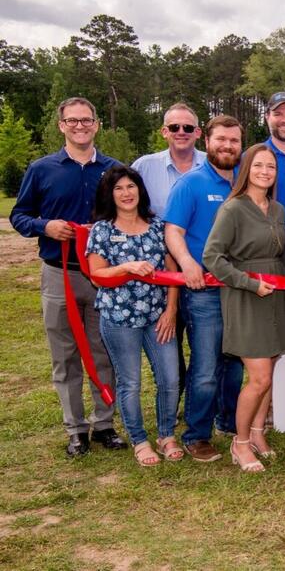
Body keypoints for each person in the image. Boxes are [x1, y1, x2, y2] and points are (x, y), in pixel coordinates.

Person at [10, 96, 126, 458]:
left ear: (96, 125)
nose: (80, 126)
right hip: (59, 274)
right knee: (65, 355)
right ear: (61, 125)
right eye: (72, 121)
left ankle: (105, 424)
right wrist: (47, 226)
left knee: (103, 351)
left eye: (86, 120)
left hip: (102, 276)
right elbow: (19, 216)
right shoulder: (42, 169)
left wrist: (106, 229)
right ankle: (75, 429)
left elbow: (129, 218)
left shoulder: (113, 170)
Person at [203, 144, 285, 472]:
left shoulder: (278, 209)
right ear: (247, 169)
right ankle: (239, 443)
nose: (265, 172)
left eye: (271, 167)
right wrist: (249, 283)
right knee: (258, 377)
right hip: (246, 296)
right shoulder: (233, 209)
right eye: (258, 166)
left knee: (269, 372)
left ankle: (257, 433)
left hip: (275, 297)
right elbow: (212, 258)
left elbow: (284, 255)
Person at [86, 166, 182, 466]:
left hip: (157, 316)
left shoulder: (157, 226)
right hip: (118, 319)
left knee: (170, 378)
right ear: (109, 194)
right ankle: (140, 440)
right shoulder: (102, 230)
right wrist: (127, 267)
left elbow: (172, 272)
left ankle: (166, 435)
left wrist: (171, 310)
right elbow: (96, 275)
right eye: (119, 188)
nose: (126, 193)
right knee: (130, 383)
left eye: (131, 186)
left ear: (140, 190)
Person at [164, 115, 246, 462]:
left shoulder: (245, 185)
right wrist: (186, 263)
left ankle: (228, 421)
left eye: (234, 141)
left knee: (235, 362)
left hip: (238, 289)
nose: (228, 146)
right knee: (206, 367)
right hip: (204, 291)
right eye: (221, 139)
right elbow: (173, 231)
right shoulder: (190, 183)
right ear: (207, 142)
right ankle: (197, 434)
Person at [132, 102, 207, 403]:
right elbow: (128, 209)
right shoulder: (143, 167)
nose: (181, 132)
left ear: (198, 133)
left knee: (206, 345)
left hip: (205, 270)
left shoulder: (213, 165)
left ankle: (201, 403)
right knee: (167, 340)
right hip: (161, 274)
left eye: (187, 127)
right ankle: (173, 400)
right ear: (164, 131)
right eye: (174, 127)